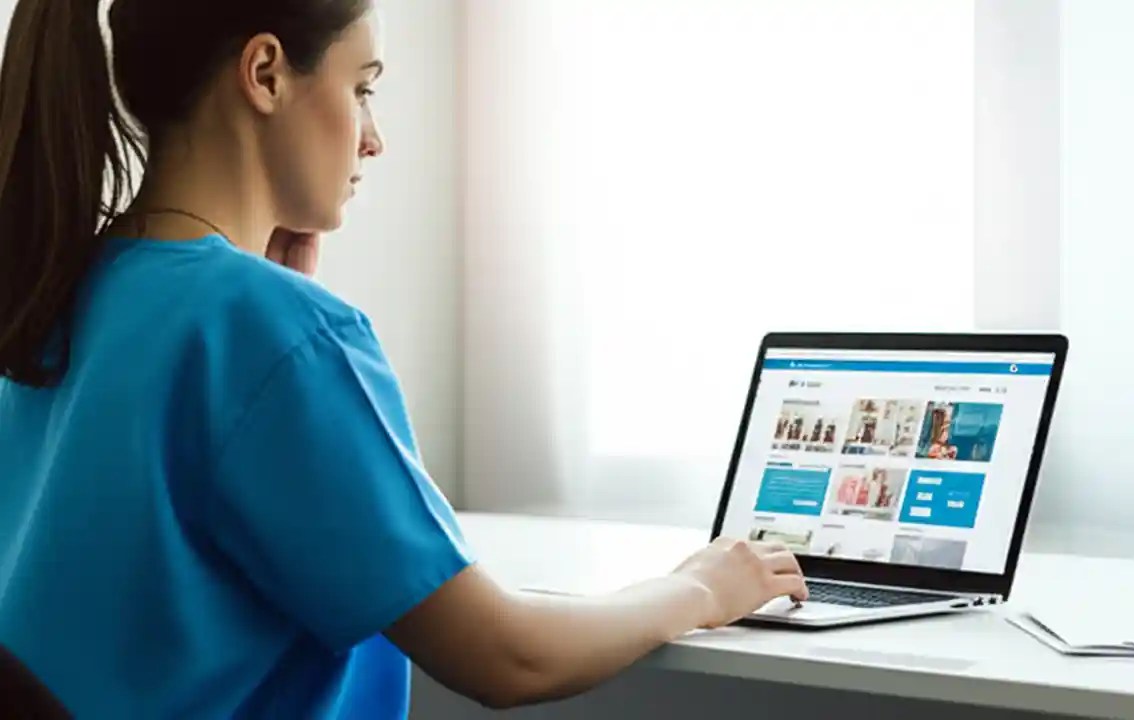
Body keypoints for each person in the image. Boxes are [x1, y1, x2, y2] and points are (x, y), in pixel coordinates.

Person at [0, 1, 808, 717]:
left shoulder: (53, 294)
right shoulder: (273, 331)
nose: (374, 138)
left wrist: (281, 316)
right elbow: (509, 657)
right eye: (363, 88)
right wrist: (701, 587)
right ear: (266, 73)